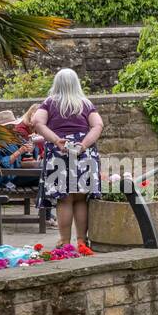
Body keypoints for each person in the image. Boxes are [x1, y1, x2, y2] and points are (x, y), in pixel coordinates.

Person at [32, 68, 104, 249]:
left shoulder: (49, 103)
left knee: (65, 199)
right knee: (80, 199)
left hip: (60, 152)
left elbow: (37, 122)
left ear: (56, 83)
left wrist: (56, 140)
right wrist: (84, 145)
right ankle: (81, 240)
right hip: (84, 153)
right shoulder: (86, 103)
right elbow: (98, 125)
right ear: (76, 83)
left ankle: (64, 242)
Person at [0, 110, 42, 190]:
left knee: (46, 171)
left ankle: (47, 200)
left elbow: (26, 148)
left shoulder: (12, 136)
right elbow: (2, 163)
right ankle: (49, 200)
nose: (14, 128)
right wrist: (19, 151)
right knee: (45, 175)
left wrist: (31, 147)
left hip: (14, 173)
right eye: (10, 126)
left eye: (13, 125)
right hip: (6, 178)